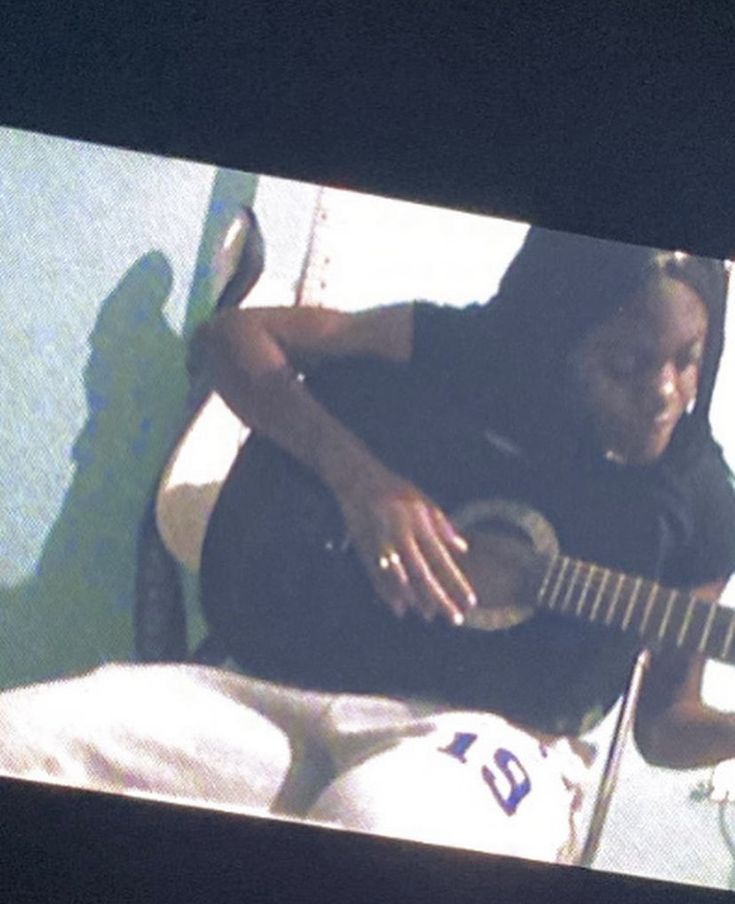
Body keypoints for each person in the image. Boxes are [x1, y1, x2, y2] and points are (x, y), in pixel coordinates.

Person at [1, 221, 734, 866]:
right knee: (25, 740)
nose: (666, 393)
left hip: (489, 742)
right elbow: (234, 339)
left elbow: (665, 726)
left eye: (688, 360)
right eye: (626, 364)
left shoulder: (701, 503)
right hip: (286, 684)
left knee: (379, 826)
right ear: (553, 340)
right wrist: (365, 486)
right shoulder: (472, 351)